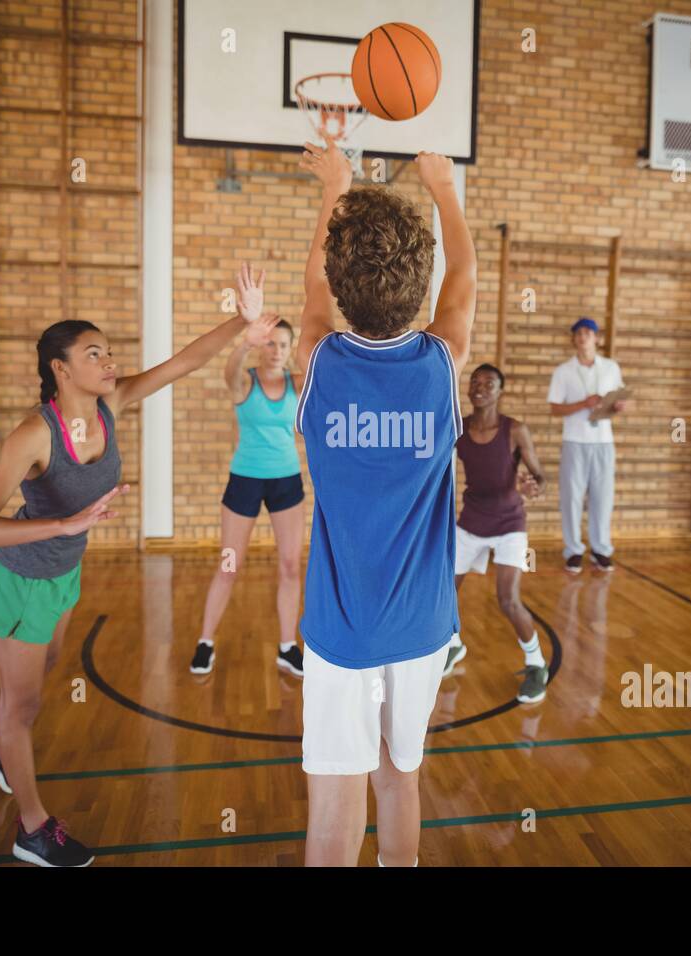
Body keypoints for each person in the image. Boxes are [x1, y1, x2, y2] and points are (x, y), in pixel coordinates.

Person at [0, 284, 274, 867]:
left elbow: (185, 363)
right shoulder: (35, 433)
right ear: (60, 369)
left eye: (108, 352)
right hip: (19, 580)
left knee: (45, 671)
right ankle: (31, 830)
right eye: (94, 355)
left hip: (61, 575)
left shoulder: (110, 405)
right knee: (21, 709)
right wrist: (62, 524)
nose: (110, 362)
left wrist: (242, 322)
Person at [294, 139, 475, 867]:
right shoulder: (441, 367)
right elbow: (463, 272)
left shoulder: (318, 362)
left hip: (342, 629)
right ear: (419, 284)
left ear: (341, 287)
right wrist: (443, 188)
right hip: (423, 625)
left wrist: (333, 187)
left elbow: (311, 284)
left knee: (334, 804)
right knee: (401, 779)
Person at [191, 264, 306, 678]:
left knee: (291, 565)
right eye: (270, 343)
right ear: (262, 345)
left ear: (290, 349)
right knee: (229, 564)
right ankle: (205, 641)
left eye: (282, 344)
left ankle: (288, 646)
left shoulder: (298, 382)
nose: (275, 349)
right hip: (245, 480)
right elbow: (228, 373)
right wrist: (244, 340)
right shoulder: (246, 381)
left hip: (286, 481)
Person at [444, 363, 549, 703]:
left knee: (507, 600)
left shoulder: (515, 429)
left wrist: (533, 486)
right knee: (443, 593)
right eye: (475, 381)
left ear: (500, 391)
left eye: (489, 382)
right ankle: (453, 644)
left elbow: (539, 478)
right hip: (471, 521)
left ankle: (536, 664)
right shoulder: (459, 428)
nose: (480, 387)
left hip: (508, 524)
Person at [547, 317, 629, 573]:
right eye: (578, 333)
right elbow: (554, 408)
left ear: (596, 338)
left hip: (604, 441)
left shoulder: (611, 368)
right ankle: (573, 550)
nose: (583, 337)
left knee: (603, 497)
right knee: (572, 498)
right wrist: (584, 404)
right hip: (575, 440)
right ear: (574, 339)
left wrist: (619, 406)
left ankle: (601, 549)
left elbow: (621, 398)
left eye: (587, 333)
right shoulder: (563, 371)